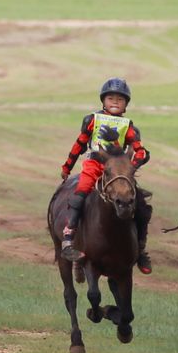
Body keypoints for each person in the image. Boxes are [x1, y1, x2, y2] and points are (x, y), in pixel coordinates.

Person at [58, 77, 153, 273]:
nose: (115, 101)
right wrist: (67, 167)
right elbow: (79, 145)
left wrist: (131, 167)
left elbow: (141, 151)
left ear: (126, 104)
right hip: (94, 164)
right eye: (111, 98)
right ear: (103, 101)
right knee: (81, 192)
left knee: (141, 204)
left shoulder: (129, 127)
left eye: (120, 99)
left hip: (119, 170)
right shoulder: (92, 120)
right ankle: (68, 241)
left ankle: (141, 250)